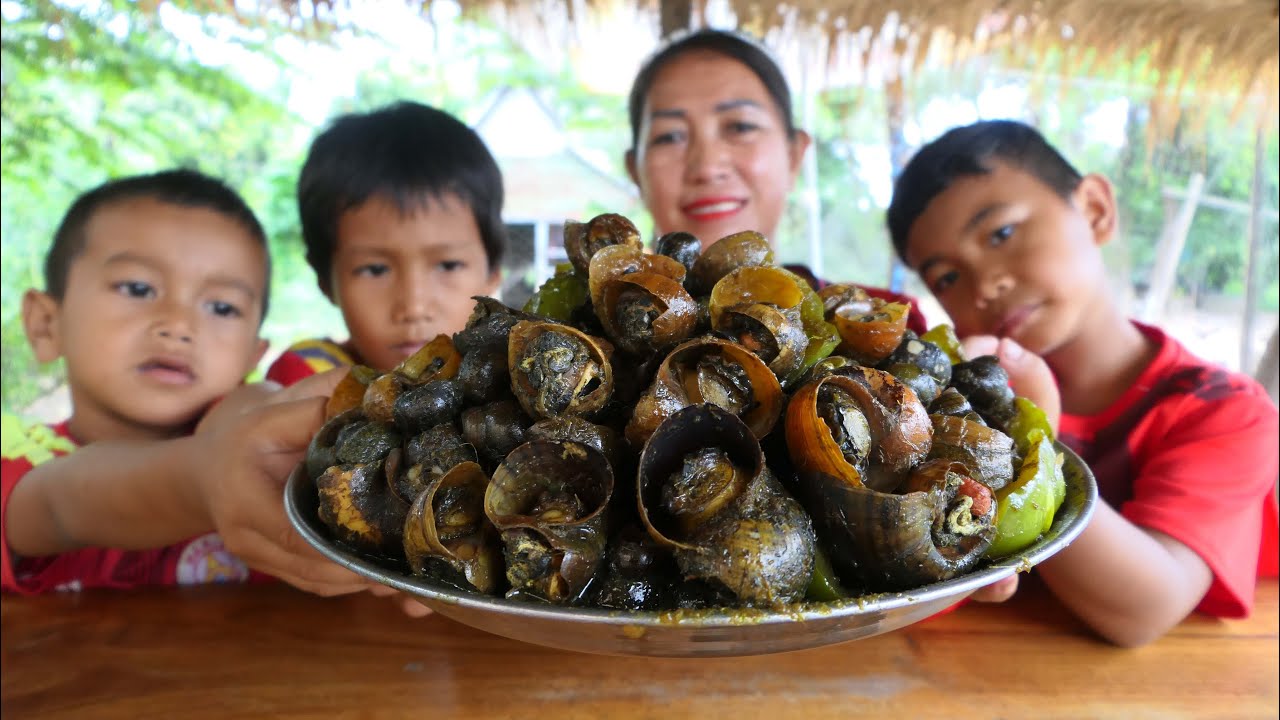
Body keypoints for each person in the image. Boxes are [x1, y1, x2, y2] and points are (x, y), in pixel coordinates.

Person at [886, 119, 1280, 647]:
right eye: (948, 278)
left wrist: (1034, 437)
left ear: (1094, 208)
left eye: (1001, 233)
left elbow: (1146, 609)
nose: (986, 285)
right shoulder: (944, 418)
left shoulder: (1223, 410)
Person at [0, 169, 364, 595]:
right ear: (46, 324)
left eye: (222, 308)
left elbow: (255, 409)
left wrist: (267, 417)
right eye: (138, 288)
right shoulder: (23, 460)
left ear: (252, 356)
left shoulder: (252, 431)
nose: (179, 324)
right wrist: (208, 471)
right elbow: (61, 504)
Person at [623, 28, 927, 333]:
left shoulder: (894, 323)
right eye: (670, 136)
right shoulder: (577, 324)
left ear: (794, 155)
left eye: (740, 127)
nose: (707, 166)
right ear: (634, 171)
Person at [265, 101, 506, 385]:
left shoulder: (515, 375)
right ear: (325, 280)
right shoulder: (308, 383)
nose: (414, 307)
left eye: (448, 265)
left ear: (493, 272)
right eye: (375, 270)